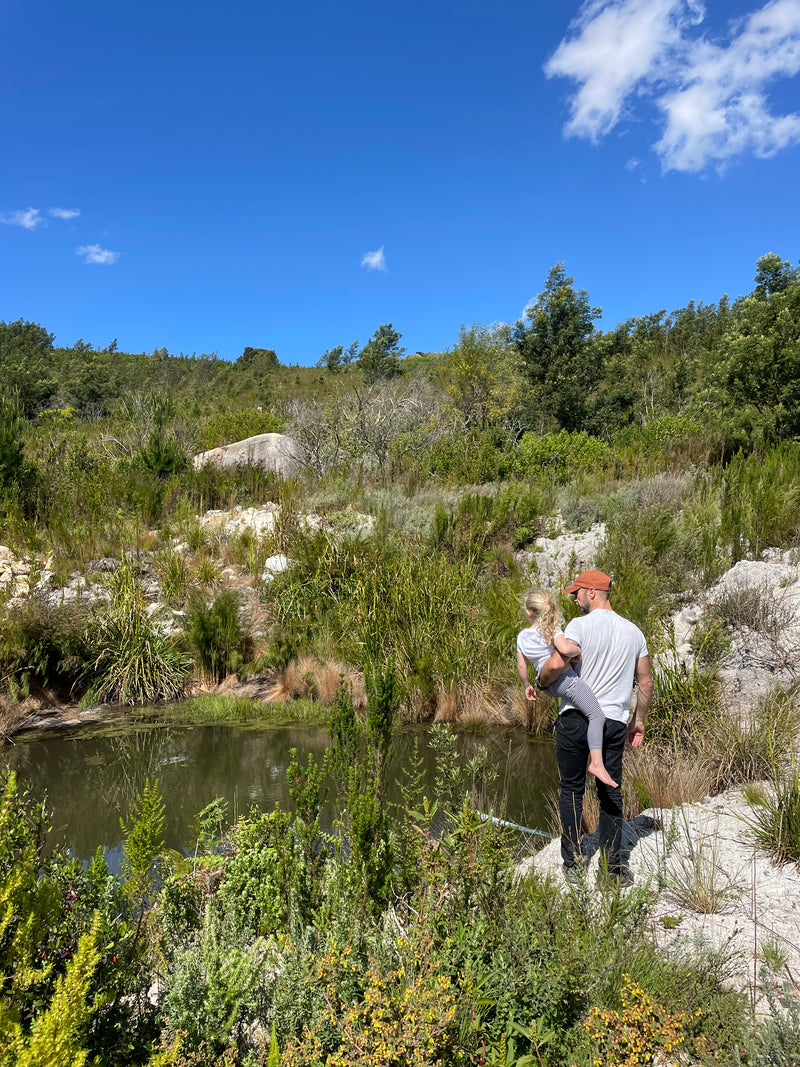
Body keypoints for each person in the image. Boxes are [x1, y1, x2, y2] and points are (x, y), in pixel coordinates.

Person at [537, 570, 653, 886]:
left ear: (592, 592)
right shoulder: (634, 633)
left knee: (572, 789)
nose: (574, 599)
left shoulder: (580, 626)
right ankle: (612, 870)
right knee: (610, 791)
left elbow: (559, 662)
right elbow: (645, 681)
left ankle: (573, 865)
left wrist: (542, 680)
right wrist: (638, 720)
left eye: (576, 592)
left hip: (576, 716)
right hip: (613, 721)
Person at [516, 589, 617, 788]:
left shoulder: (522, 637)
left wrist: (527, 685)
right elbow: (564, 649)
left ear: (528, 612)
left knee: (582, 710)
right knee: (597, 715)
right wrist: (577, 651)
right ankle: (596, 764)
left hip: (549, 684)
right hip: (566, 680)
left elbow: (521, 665)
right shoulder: (551, 629)